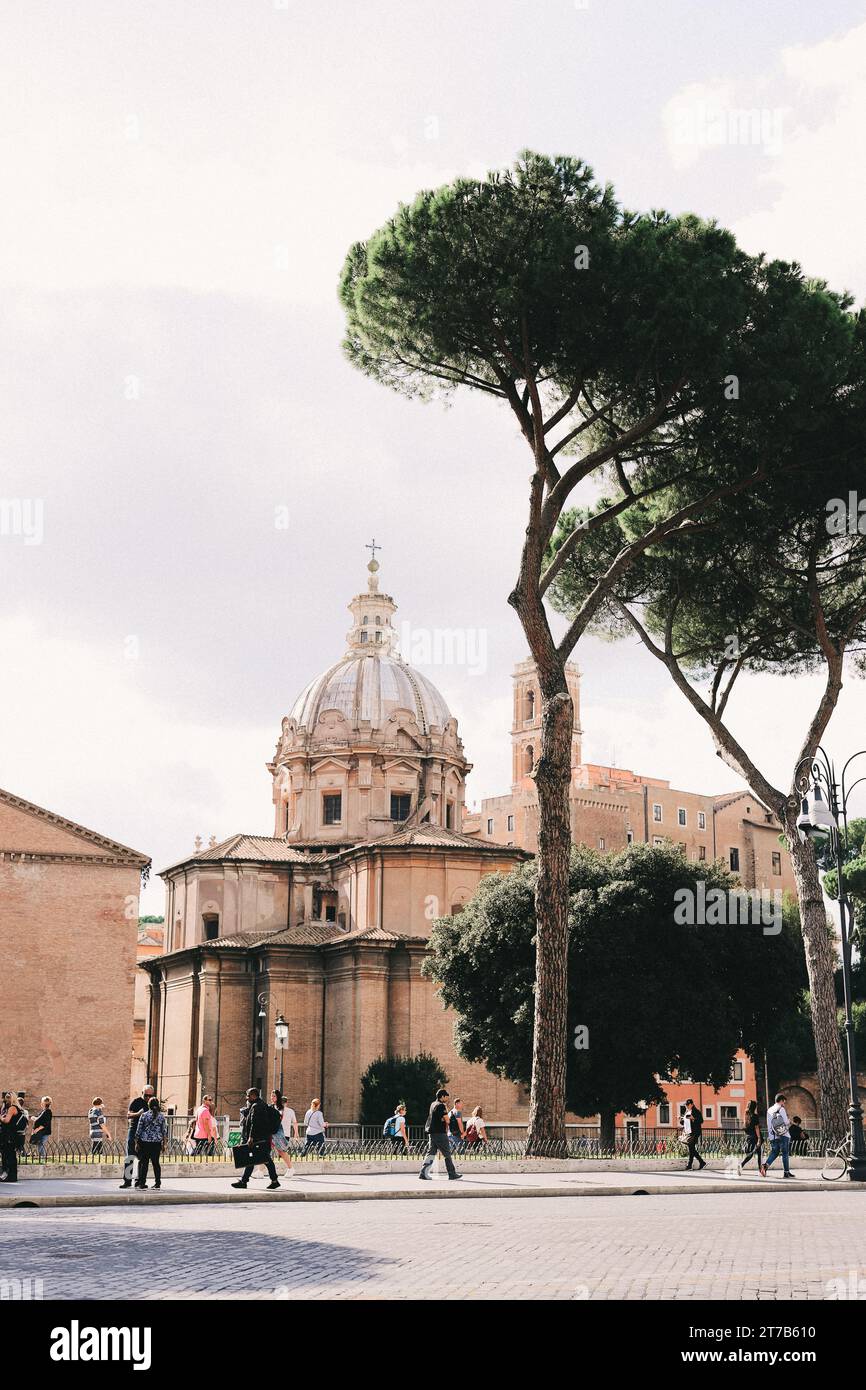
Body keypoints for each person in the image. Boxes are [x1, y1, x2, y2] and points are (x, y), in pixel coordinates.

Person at [232, 1087, 280, 1190]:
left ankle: (245, 1181)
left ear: (254, 1096)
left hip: (259, 1139)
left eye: (248, 1095)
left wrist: (251, 1137)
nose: (247, 1097)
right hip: (262, 1138)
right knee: (258, 1160)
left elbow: (255, 1123)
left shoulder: (257, 1106)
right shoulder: (258, 1105)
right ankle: (245, 1181)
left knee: (263, 1159)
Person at [419, 1088, 462, 1181]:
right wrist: (445, 1113)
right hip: (440, 1133)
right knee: (447, 1153)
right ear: (442, 1096)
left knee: (431, 1153)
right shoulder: (441, 1106)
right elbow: (447, 1120)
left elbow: (436, 1117)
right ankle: (452, 1173)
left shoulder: (432, 1104)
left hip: (432, 1133)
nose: (447, 1099)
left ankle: (423, 1172)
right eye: (446, 1097)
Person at [120, 1085, 154, 1188]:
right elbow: (128, 1115)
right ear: (142, 1093)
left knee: (143, 1158)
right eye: (146, 1095)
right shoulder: (136, 1102)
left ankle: (139, 1182)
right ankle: (127, 1181)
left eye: (150, 1095)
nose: (148, 1097)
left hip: (145, 1132)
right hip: (134, 1130)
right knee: (130, 1156)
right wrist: (139, 1114)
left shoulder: (153, 1103)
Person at [135, 1097, 168, 1189]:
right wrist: (164, 1144)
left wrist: (136, 1142)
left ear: (148, 1105)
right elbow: (164, 1131)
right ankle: (158, 1183)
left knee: (144, 1163)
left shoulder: (144, 1115)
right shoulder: (161, 1116)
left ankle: (142, 1183)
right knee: (156, 1163)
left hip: (144, 1142)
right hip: (156, 1143)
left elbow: (139, 1130)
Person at [762, 1093, 795, 1178]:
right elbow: (785, 1122)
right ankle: (786, 1172)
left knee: (775, 1152)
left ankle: (765, 1166)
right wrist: (789, 1121)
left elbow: (769, 1123)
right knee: (785, 1153)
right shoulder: (781, 1109)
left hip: (772, 1135)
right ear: (781, 1101)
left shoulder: (769, 1110)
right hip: (783, 1134)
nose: (784, 1104)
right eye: (784, 1102)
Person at [270, 1090, 295, 1177]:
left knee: (281, 1151)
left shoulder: (280, 1108)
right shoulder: (271, 1106)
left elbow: (279, 1119)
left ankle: (291, 1168)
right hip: (271, 1131)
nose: (272, 1098)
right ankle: (260, 1171)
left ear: (278, 1097)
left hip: (278, 1131)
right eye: (271, 1096)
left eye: (274, 1096)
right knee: (266, 1151)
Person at [0, 1093, 21, 1183]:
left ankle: (11, 1176)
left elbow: (6, 1120)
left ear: (13, 1099)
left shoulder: (12, 1108)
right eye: (6, 1098)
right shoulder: (11, 1108)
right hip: (9, 1135)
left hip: (9, 1136)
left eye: (8, 1098)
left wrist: (0, 1117)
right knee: (8, 1155)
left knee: (10, 1156)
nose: (6, 1100)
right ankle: (9, 1176)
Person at [682, 1099, 706, 1171]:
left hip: (695, 1132)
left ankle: (690, 1165)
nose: (686, 1106)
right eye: (686, 1105)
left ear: (691, 1104)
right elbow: (685, 1122)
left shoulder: (696, 1111)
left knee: (691, 1147)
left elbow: (701, 1121)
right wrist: (681, 1119)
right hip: (689, 1132)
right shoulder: (687, 1112)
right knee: (691, 1148)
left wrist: (693, 1118)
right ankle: (701, 1162)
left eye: (687, 1105)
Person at [739, 1099, 762, 1171]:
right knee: (757, 1153)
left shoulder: (746, 1116)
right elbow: (757, 1128)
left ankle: (760, 1169)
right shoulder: (755, 1116)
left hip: (749, 1137)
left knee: (754, 1153)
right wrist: (759, 1138)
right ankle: (741, 1164)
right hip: (755, 1137)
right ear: (754, 1107)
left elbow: (745, 1128)